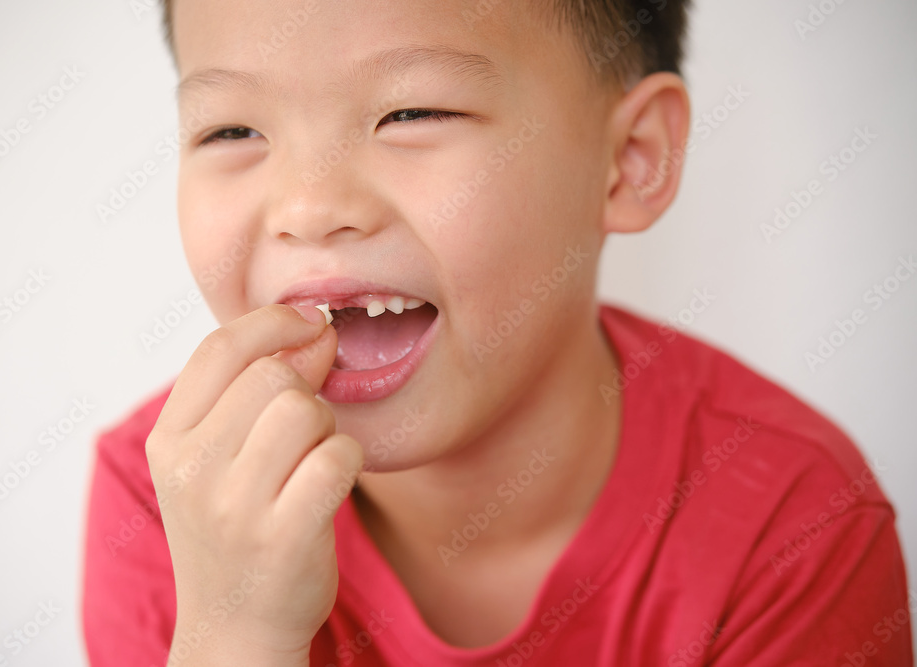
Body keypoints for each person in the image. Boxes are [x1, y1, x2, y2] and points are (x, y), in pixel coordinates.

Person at [82, 1, 914, 665]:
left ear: (629, 157)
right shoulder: (164, 504)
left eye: (411, 111)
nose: (307, 207)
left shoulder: (792, 524)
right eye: (232, 130)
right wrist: (234, 638)